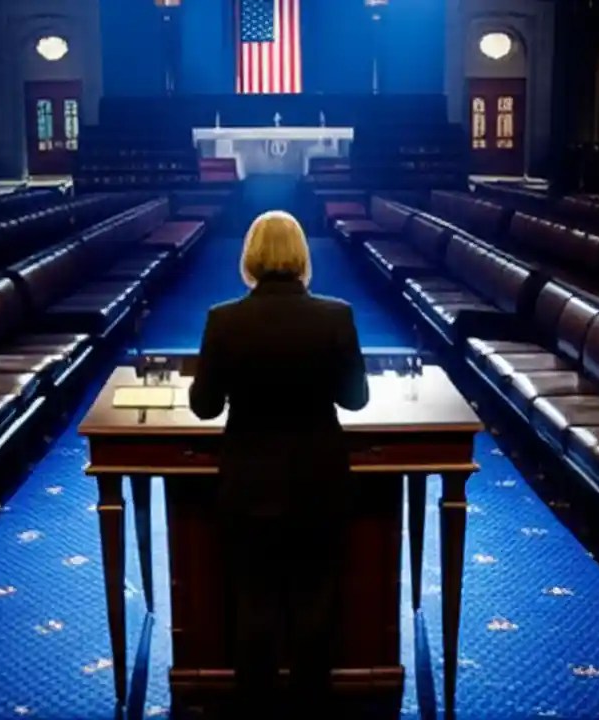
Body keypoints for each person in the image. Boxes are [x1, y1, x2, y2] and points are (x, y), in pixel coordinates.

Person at [189, 210, 370, 716]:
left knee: (254, 603)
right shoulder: (336, 316)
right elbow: (355, 399)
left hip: (249, 484)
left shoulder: (223, 319)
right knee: (315, 602)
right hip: (319, 481)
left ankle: (256, 707)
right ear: (302, 257)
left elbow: (205, 407)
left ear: (249, 258)